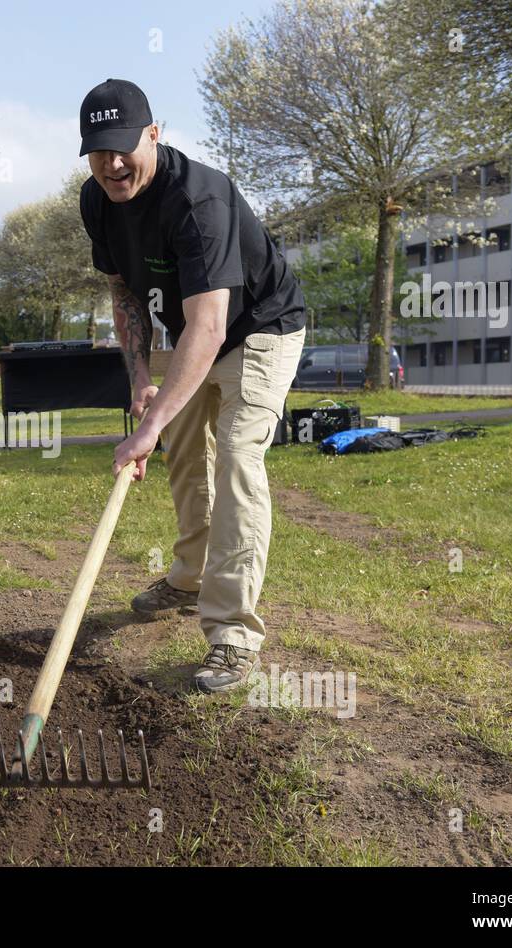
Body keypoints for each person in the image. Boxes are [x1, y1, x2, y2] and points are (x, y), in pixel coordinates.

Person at [79, 78, 307, 693]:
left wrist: (146, 430)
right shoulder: (96, 200)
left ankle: (232, 632)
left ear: (154, 134)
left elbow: (208, 328)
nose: (113, 162)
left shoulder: (199, 200)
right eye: (98, 150)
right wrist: (141, 379)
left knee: (236, 458)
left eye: (124, 146)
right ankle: (188, 576)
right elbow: (124, 291)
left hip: (259, 328)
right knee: (184, 452)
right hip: (192, 332)